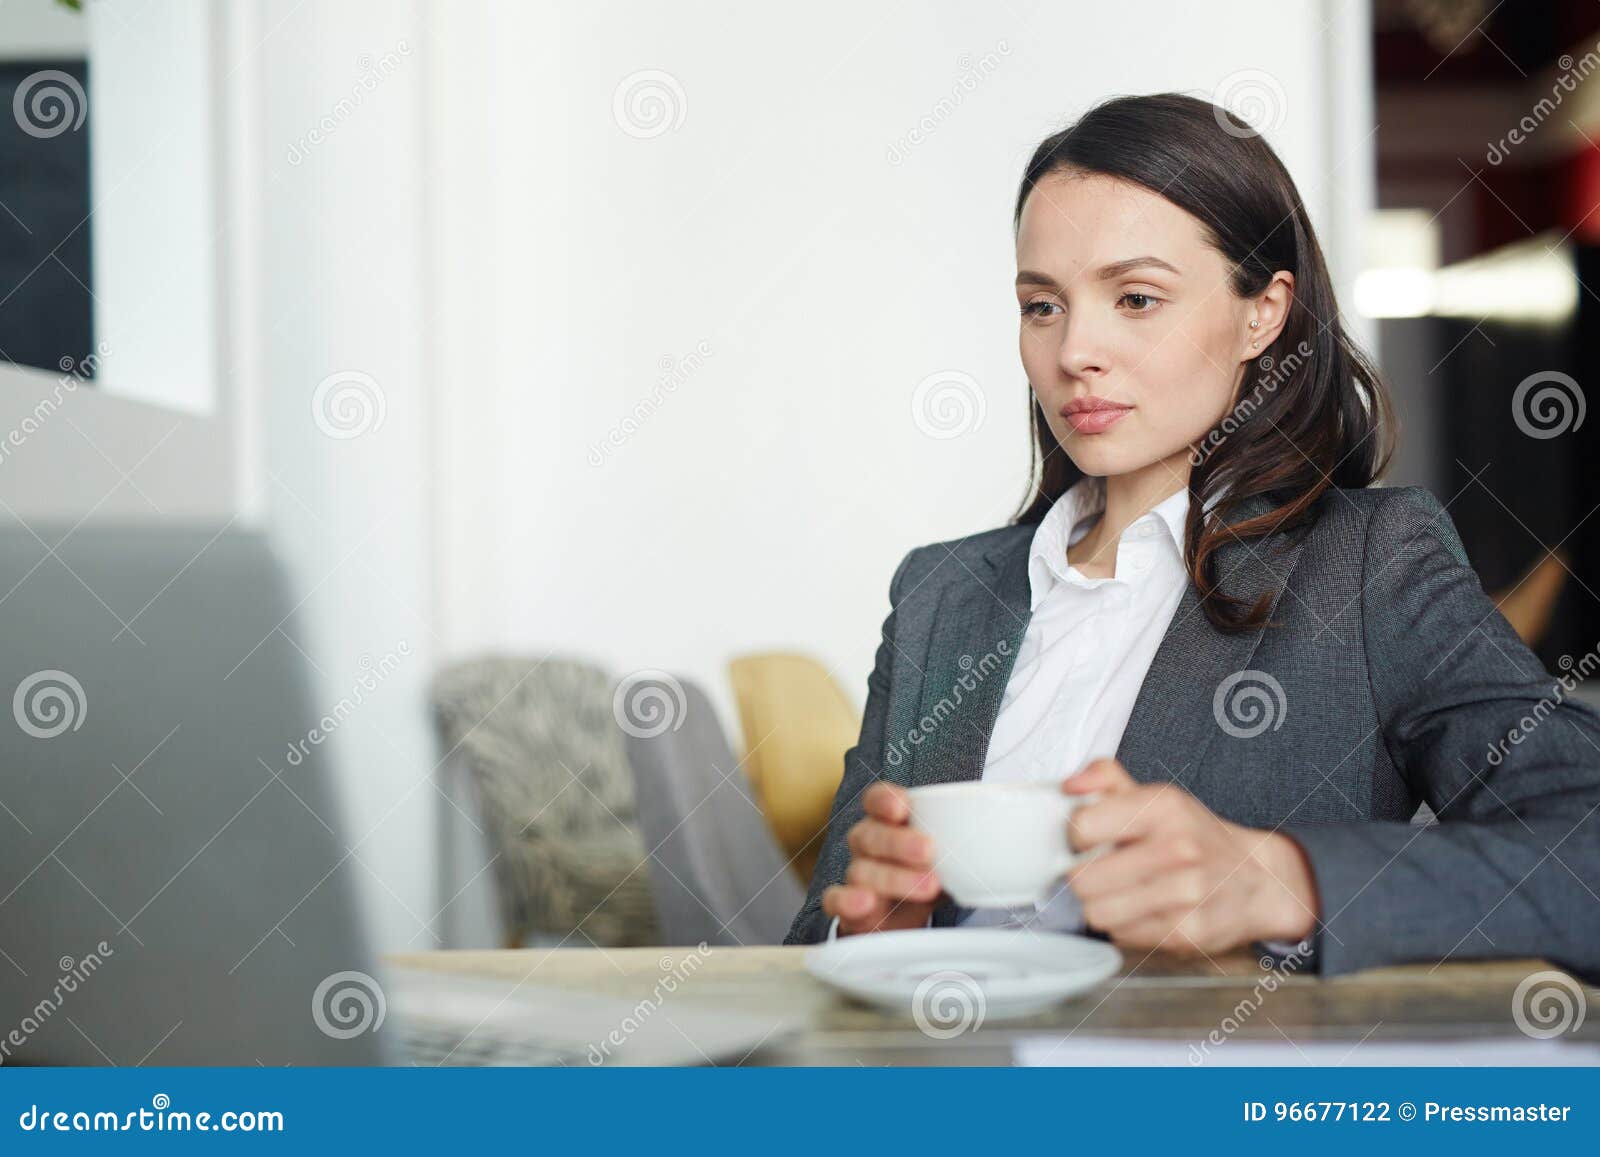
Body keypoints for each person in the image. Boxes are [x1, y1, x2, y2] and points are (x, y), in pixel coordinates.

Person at [784, 92, 1600, 979]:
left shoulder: (1368, 567)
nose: (1074, 351)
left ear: (1264, 313)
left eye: (1136, 297)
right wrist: (871, 933)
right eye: (1041, 305)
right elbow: (812, 940)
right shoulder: (940, 595)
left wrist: (1282, 880)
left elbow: (1583, 851)